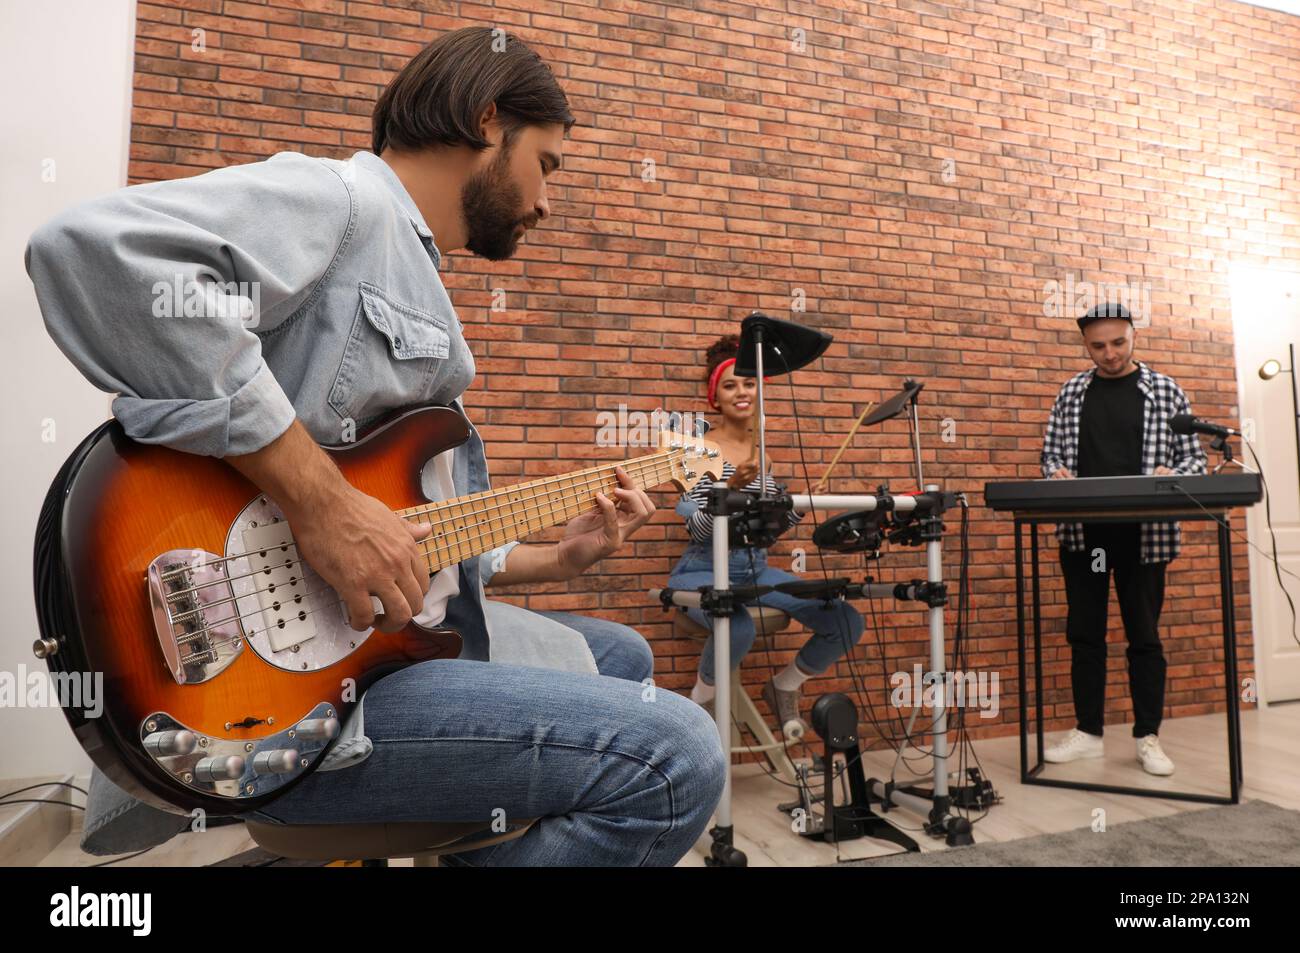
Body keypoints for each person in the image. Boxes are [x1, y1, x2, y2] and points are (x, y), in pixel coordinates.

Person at [26, 26, 726, 866]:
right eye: (547, 165)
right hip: (296, 687)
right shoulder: (344, 204)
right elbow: (92, 252)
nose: (547, 203)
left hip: (379, 636)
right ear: (486, 119)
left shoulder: (411, 265)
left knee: (625, 651)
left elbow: (399, 531)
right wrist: (319, 500)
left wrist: (558, 559)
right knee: (679, 755)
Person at [666, 334, 866, 736]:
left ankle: (782, 687)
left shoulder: (764, 455)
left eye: (749, 382)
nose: (741, 391)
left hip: (756, 569)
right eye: (730, 384)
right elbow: (701, 529)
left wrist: (799, 506)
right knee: (737, 625)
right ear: (715, 397)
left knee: (845, 620)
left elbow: (764, 532)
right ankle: (697, 710)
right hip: (701, 568)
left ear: (760, 390)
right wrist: (733, 492)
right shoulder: (690, 449)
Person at [1040, 303, 1207, 777]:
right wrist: (1056, 471)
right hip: (1088, 540)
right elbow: (1049, 453)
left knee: (1144, 636)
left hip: (1145, 538)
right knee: (1086, 634)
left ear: (1133, 337)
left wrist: (1171, 472)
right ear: (1085, 346)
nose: (1110, 354)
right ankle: (1089, 733)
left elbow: (1194, 461)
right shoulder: (1072, 392)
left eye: (1118, 343)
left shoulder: (1165, 390)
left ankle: (1147, 737)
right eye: (1098, 346)